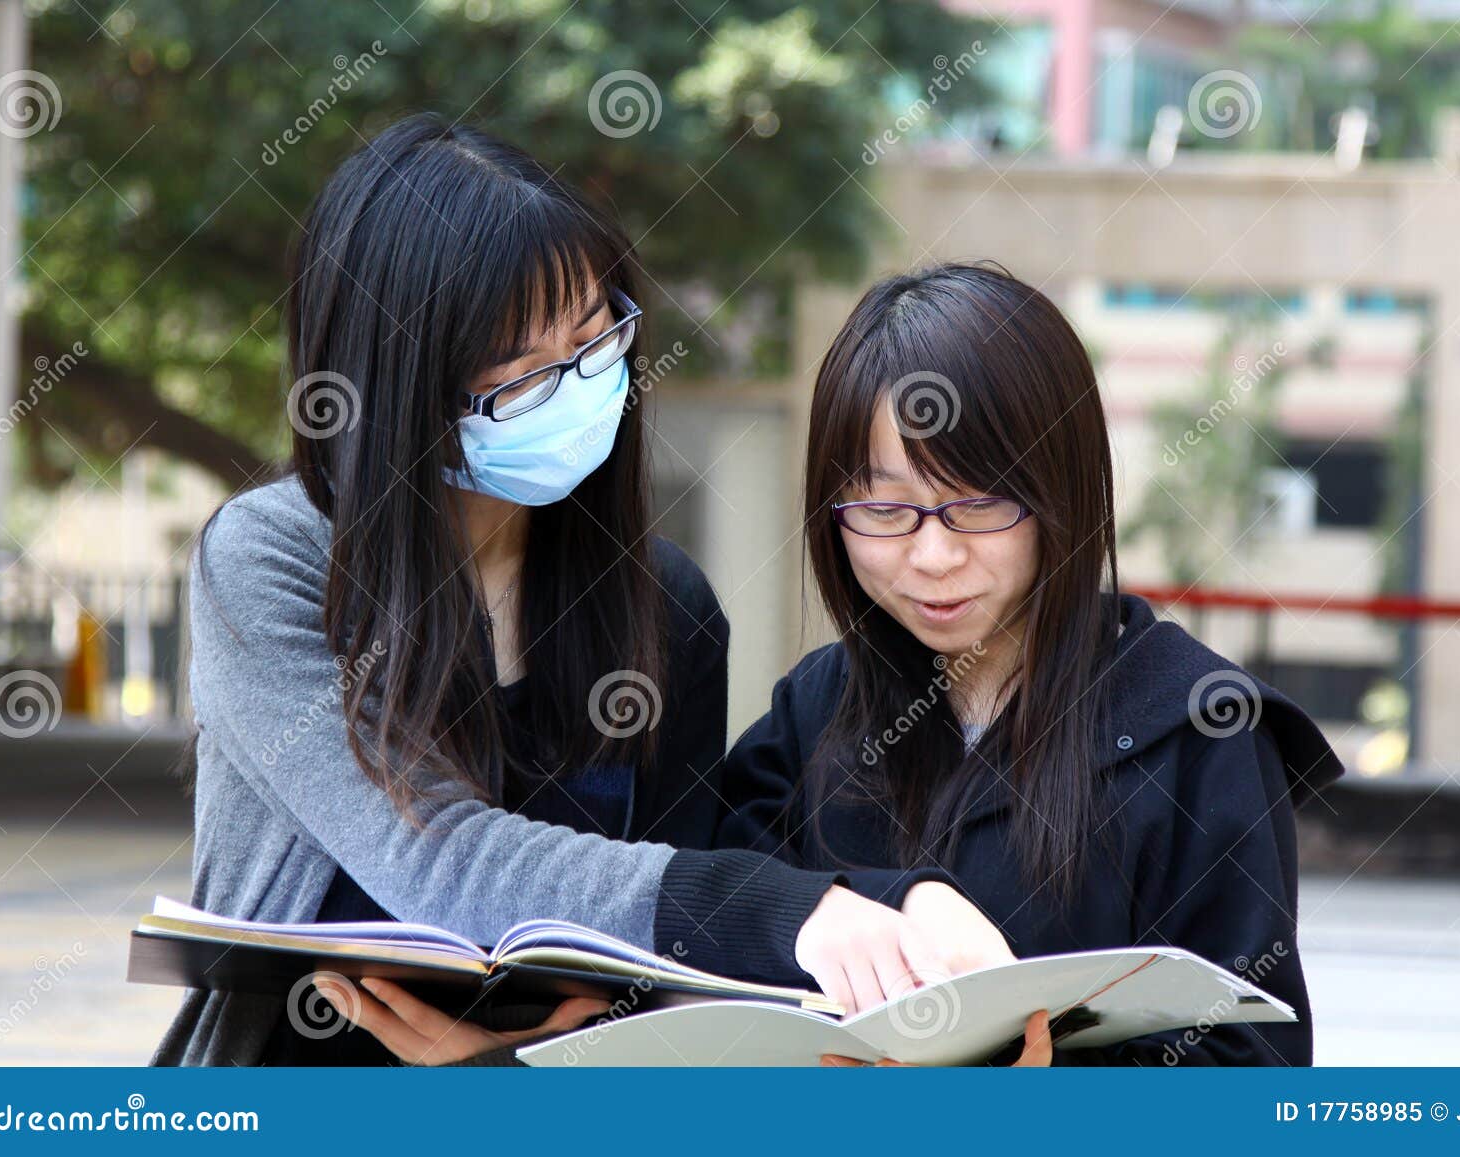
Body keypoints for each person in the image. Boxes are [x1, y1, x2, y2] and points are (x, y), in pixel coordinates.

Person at [151, 118, 1009, 1067]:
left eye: (593, 338)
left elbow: (661, 982)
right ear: (398, 390)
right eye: (519, 374)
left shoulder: (666, 607)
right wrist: (785, 912)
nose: (571, 387)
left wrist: (512, 1067)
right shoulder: (277, 561)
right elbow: (435, 855)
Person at [344, 262, 1345, 1067]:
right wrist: (505, 1067)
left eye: (980, 503)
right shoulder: (813, 715)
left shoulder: (1198, 729)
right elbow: (685, 995)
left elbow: (1250, 1071)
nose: (932, 554)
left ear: (1067, 490)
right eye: (882, 508)